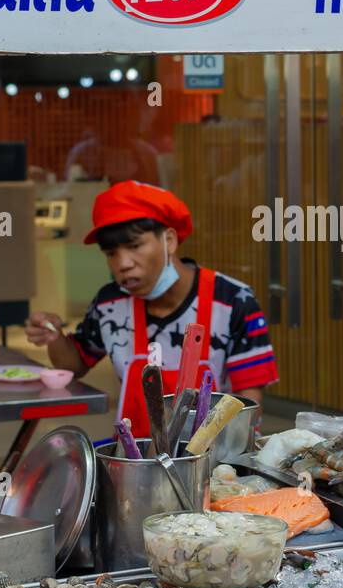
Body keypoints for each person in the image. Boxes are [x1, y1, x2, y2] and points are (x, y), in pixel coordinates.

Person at [26, 181, 278, 435]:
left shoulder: (233, 300)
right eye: (111, 253)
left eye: (135, 246)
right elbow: (75, 364)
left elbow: (251, 402)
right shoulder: (109, 304)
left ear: (169, 240)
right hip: (136, 464)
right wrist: (53, 336)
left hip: (216, 461)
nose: (122, 263)